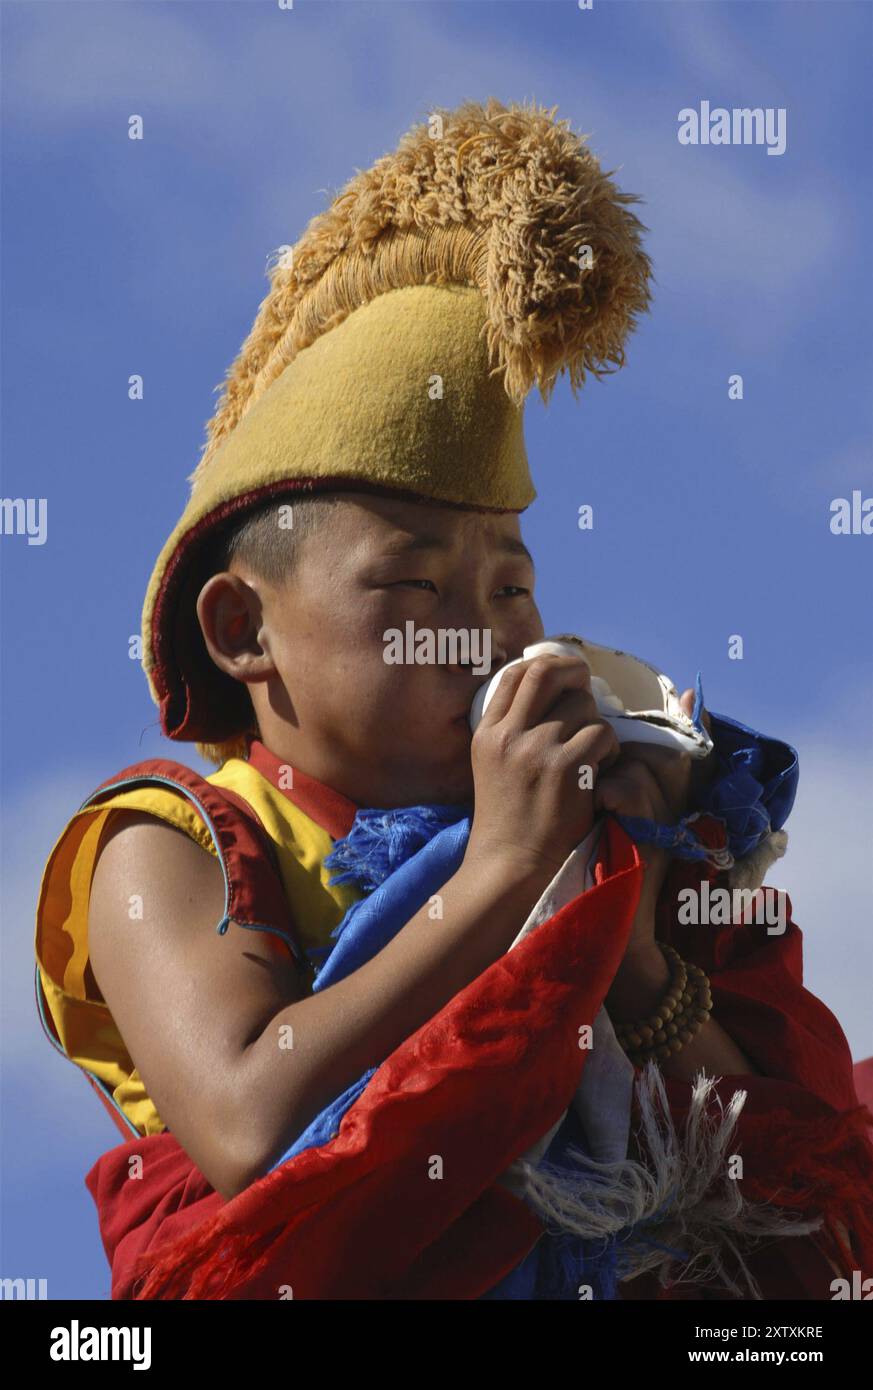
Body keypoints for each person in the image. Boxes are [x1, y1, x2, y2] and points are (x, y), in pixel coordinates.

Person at [34, 98, 873, 1300]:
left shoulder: (583, 824)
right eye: (415, 585)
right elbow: (246, 1121)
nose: (482, 635)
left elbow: (792, 1223)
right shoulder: (170, 847)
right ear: (242, 630)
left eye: (513, 584)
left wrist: (624, 951)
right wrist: (496, 878)